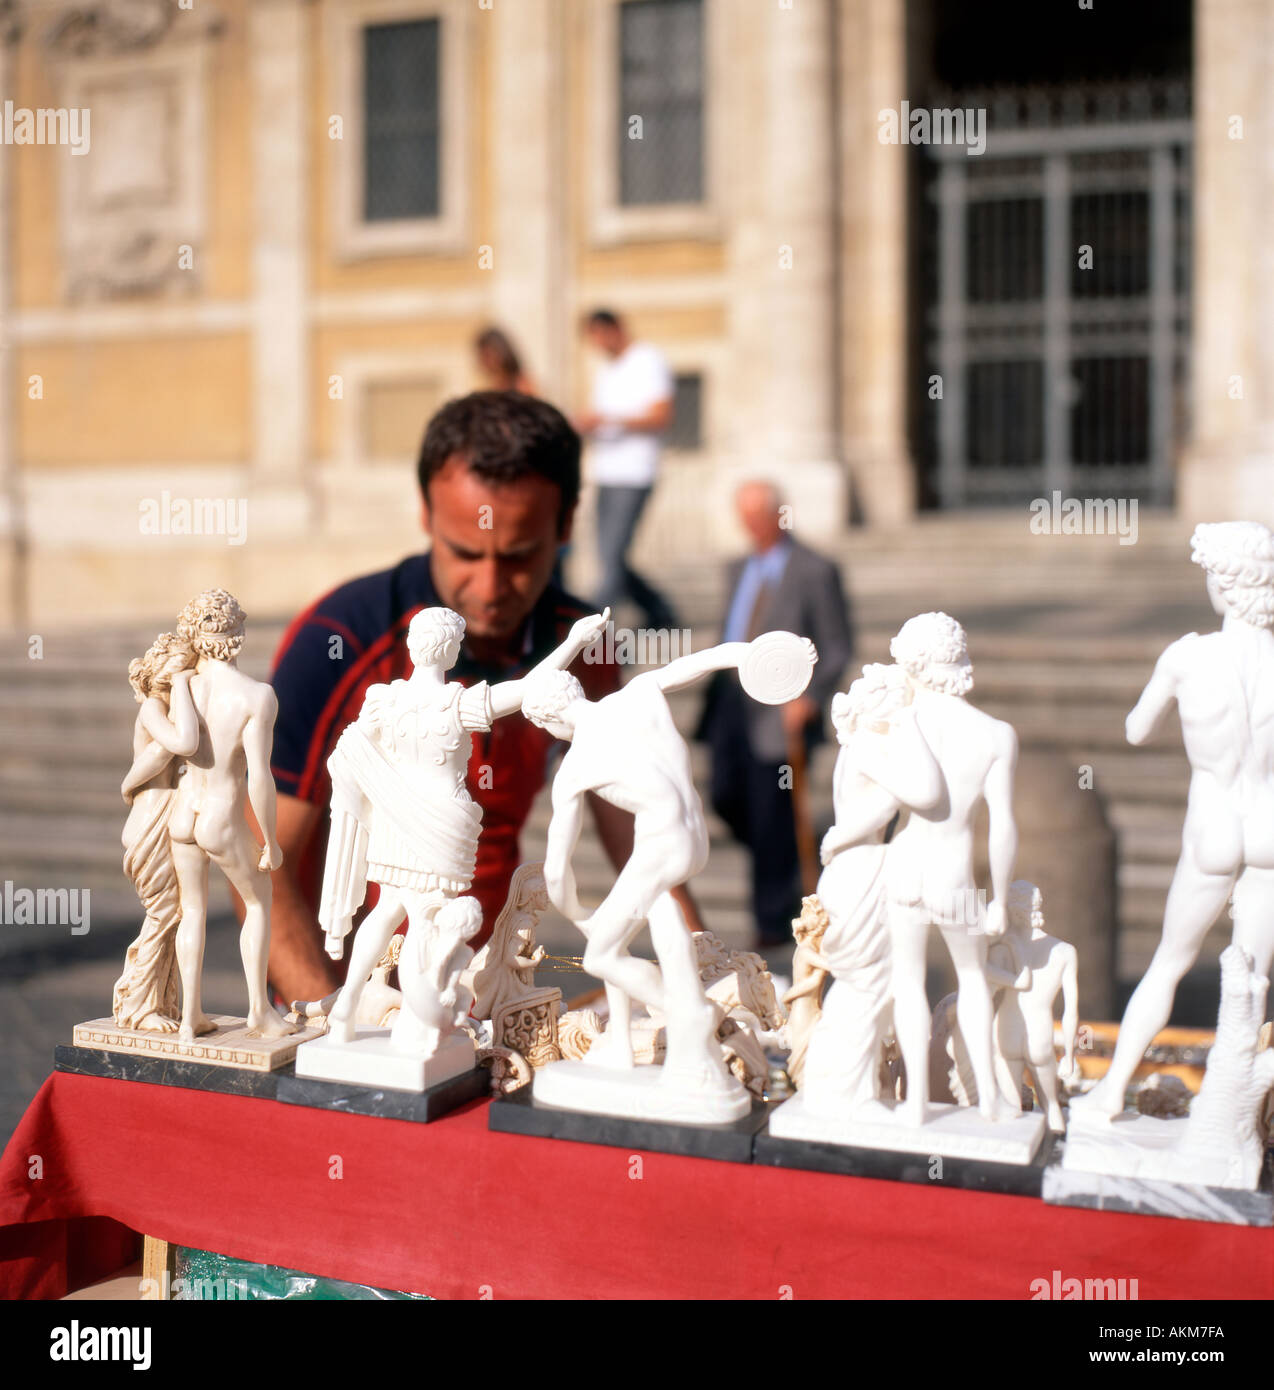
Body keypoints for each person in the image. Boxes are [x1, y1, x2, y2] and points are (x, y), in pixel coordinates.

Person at [267, 391, 700, 1007]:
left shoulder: (587, 647)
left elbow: (640, 834)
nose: (491, 588)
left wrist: (703, 965)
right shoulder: (339, 638)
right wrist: (328, 1021)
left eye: (521, 557)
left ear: (567, 524)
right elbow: (267, 859)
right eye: (466, 553)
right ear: (425, 515)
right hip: (340, 989)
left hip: (478, 982)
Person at [1075, 520, 1274, 1120]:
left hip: (1212, 825)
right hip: (1267, 825)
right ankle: (1233, 1114)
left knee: (1169, 961)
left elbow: (1136, 730)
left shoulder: (1188, 657)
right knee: (1251, 983)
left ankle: (1111, 1094)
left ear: (1223, 584)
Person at [696, 480, 853, 947]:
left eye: (757, 516)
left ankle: (770, 921)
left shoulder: (814, 569)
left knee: (772, 812)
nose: (750, 526)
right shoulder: (738, 567)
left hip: (781, 712)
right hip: (730, 704)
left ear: (778, 514)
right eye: (743, 516)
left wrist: (810, 695)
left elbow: (836, 644)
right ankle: (779, 867)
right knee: (725, 796)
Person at [884, 612, 1019, 1125]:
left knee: (908, 980)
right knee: (973, 980)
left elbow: (879, 806)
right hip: (955, 877)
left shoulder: (899, 722)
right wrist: (1001, 900)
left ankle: (916, 1102)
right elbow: (1003, 827)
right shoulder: (996, 735)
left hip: (905, 867)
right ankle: (989, 1098)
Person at [576, 308, 676, 629]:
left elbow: (660, 415)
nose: (598, 344)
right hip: (606, 473)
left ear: (615, 328)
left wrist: (609, 420)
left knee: (611, 556)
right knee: (611, 557)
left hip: (635, 474)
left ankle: (596, 630)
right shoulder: (606, 369)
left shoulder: (648, 360)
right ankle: (659, 611)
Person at [474, 326, 536, 396]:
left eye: (487, 355)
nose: (483, 361)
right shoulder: (495, 384)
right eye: (481, 356)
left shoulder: (521, 384)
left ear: (501, 352)